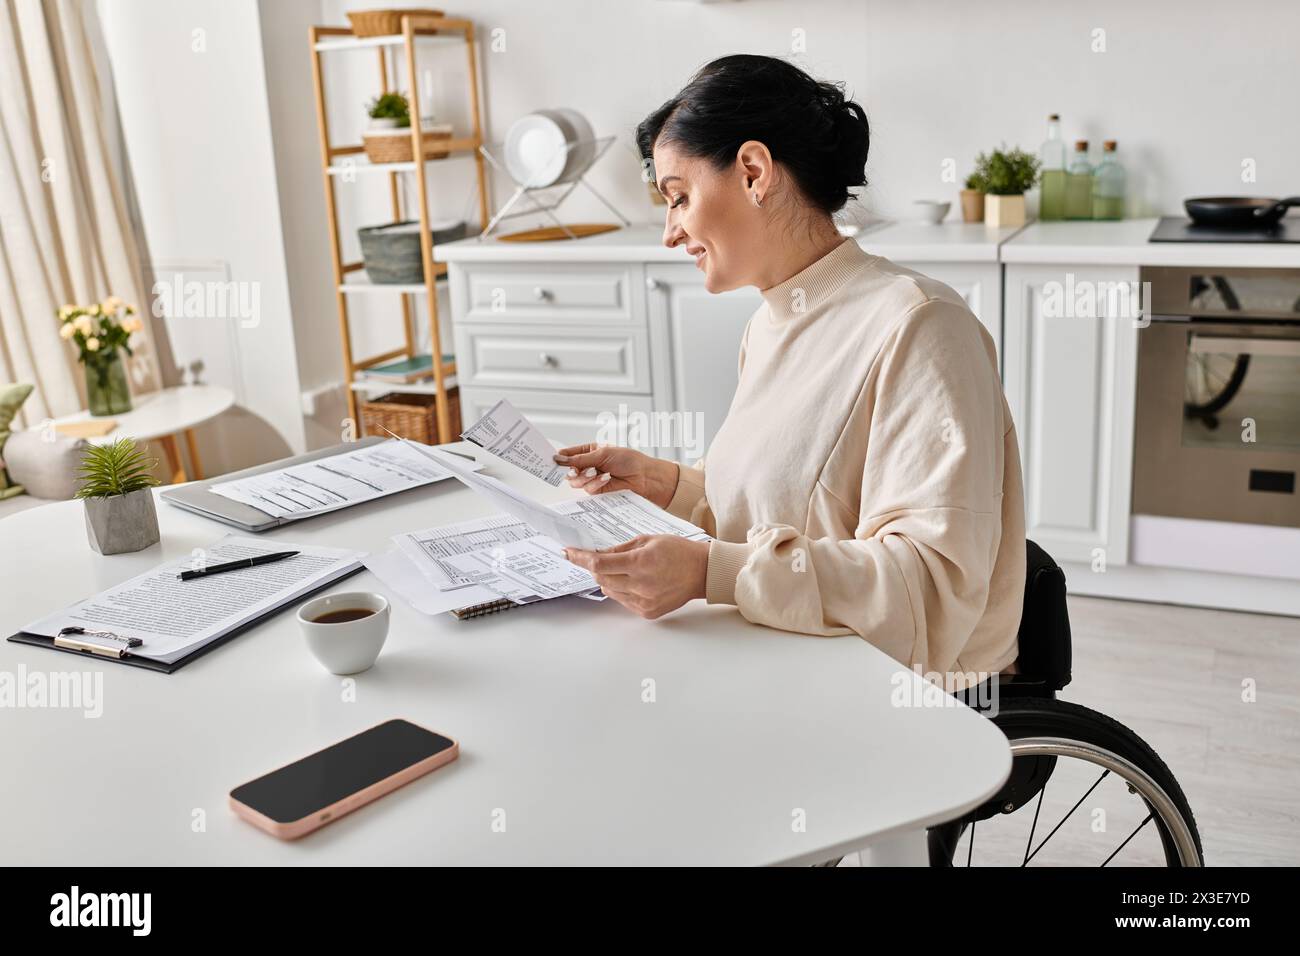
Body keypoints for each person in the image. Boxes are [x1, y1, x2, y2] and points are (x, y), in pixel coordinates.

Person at [558, 54, 1025, 678]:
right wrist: (664, 485)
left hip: (915, 696)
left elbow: (929, 589)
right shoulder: (770, 322)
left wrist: (707, 572)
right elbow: (781, 515)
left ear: (753, 170)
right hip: (796, 653)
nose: (669, 233)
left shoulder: (921, 324)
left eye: (679, 197)